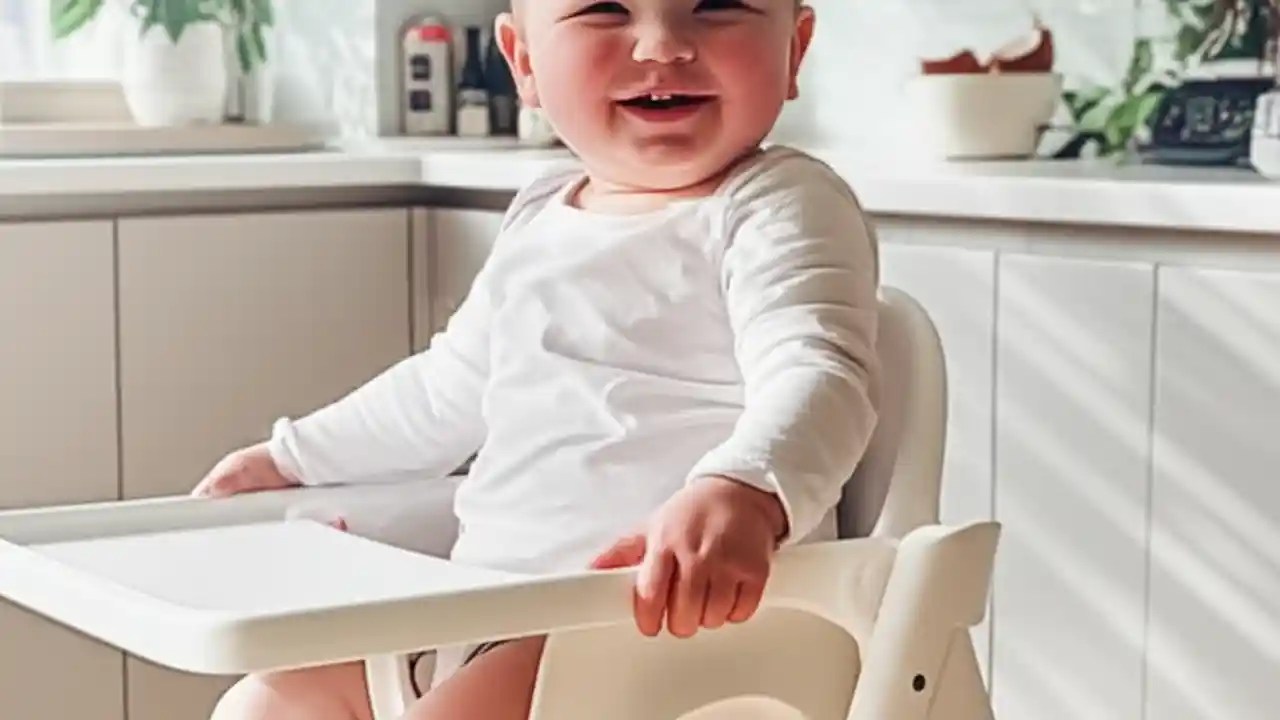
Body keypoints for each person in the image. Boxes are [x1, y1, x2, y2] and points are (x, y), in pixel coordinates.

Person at [201, 0, 879, 717]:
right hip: (481, 610)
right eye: (605, 10)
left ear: (795, 48)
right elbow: (444, 391)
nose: (662, 45)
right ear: (523, 61)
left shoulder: (776, 206)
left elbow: (820, 373)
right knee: (266, 701)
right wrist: (292, 458)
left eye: (715, 6)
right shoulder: (541, 214)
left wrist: (744, 489)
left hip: (660, 628)